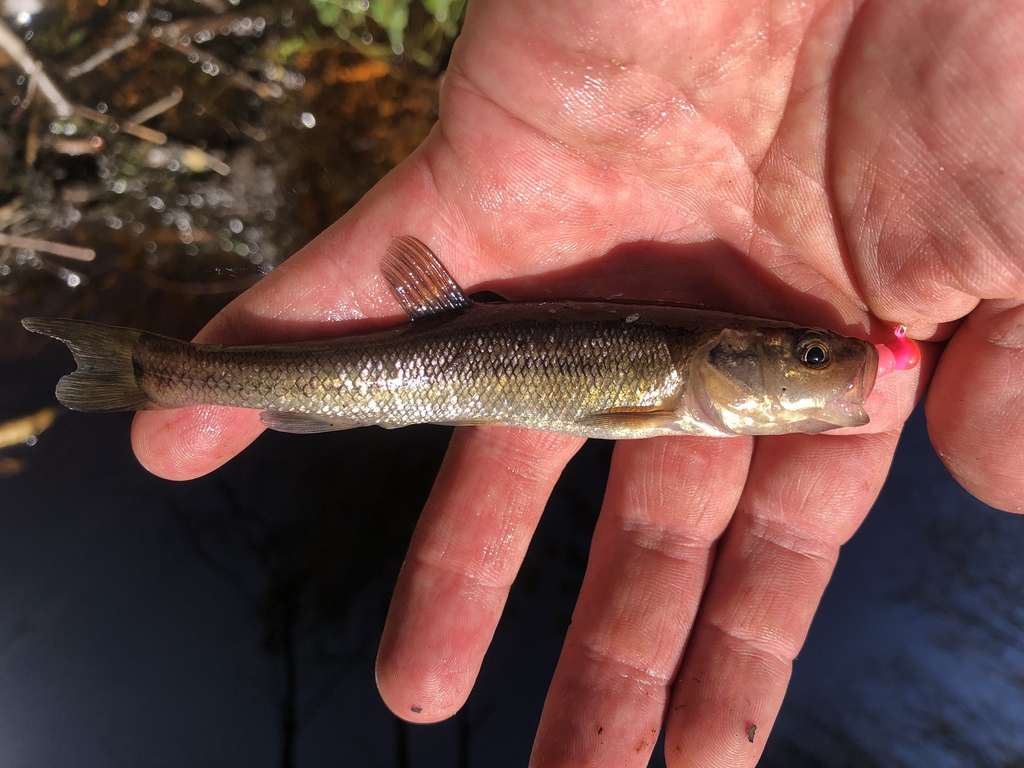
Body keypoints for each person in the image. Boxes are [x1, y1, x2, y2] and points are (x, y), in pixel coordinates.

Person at [132, 0, 1024, 764]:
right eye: (809, 358)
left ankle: (183, 375)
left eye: (812, 357)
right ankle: (178, 374)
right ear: (729, 356)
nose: (825, 365)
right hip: (445, 353)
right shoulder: (683, 376)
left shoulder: (695, 368)